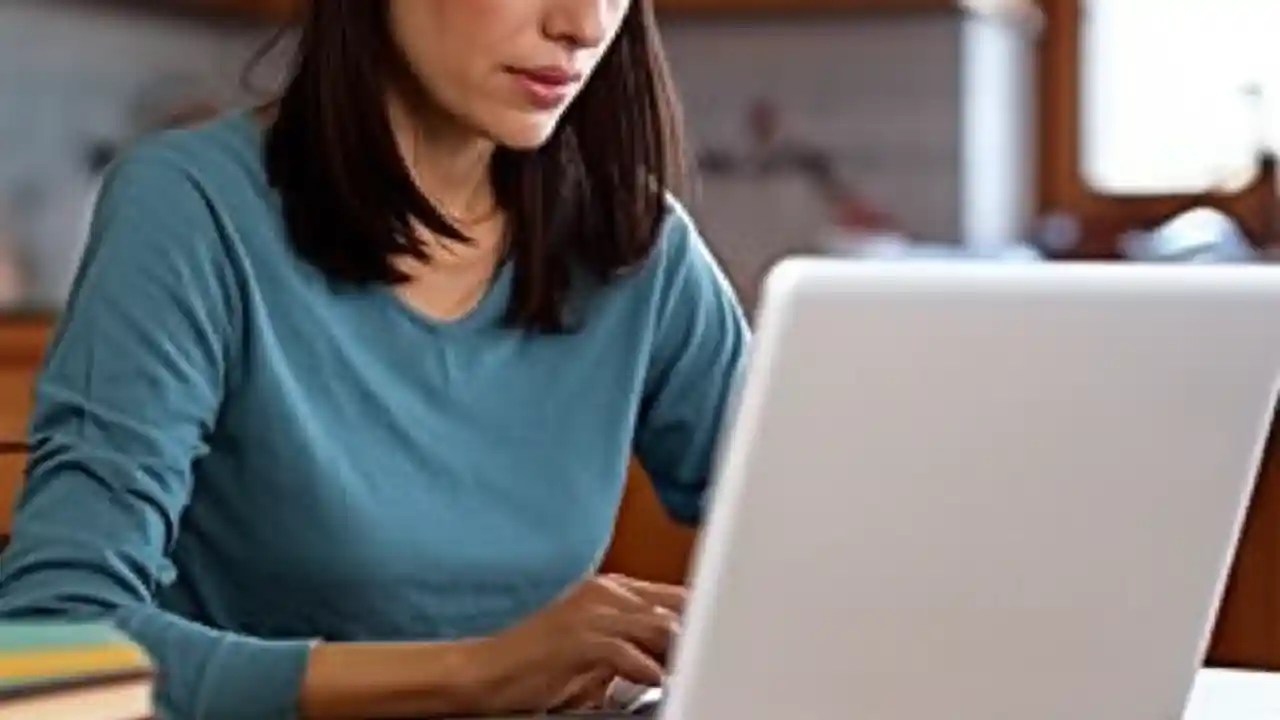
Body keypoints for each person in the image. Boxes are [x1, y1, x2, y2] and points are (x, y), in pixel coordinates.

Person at [0, 1, 749, 718]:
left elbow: (828, 521)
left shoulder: (635, 246)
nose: (583, 26)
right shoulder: (193, 208)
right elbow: (49, 652)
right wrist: (479, 672)